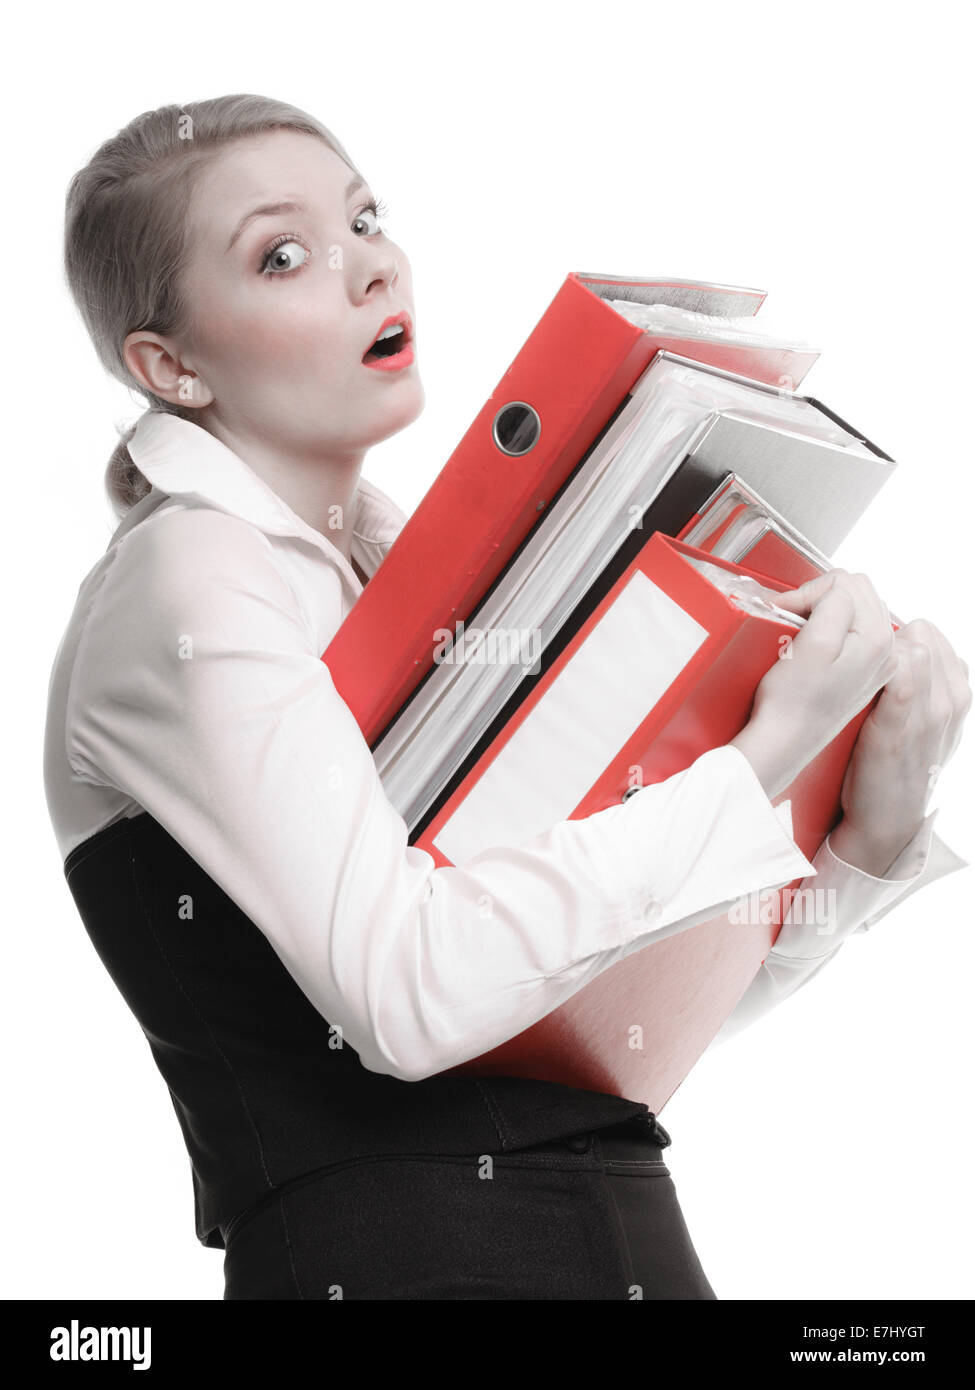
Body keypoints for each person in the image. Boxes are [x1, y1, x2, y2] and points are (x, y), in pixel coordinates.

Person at [44, 93, 970, 1301]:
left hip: (618, 1238)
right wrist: (758, 760)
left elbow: (601, 1037)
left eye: (366, 217)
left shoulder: (406, 574)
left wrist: (862, 838)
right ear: (169, 367)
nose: (366, 263)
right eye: (284, 253)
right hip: (402, 1260)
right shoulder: (190, 572)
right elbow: (410, 1002)